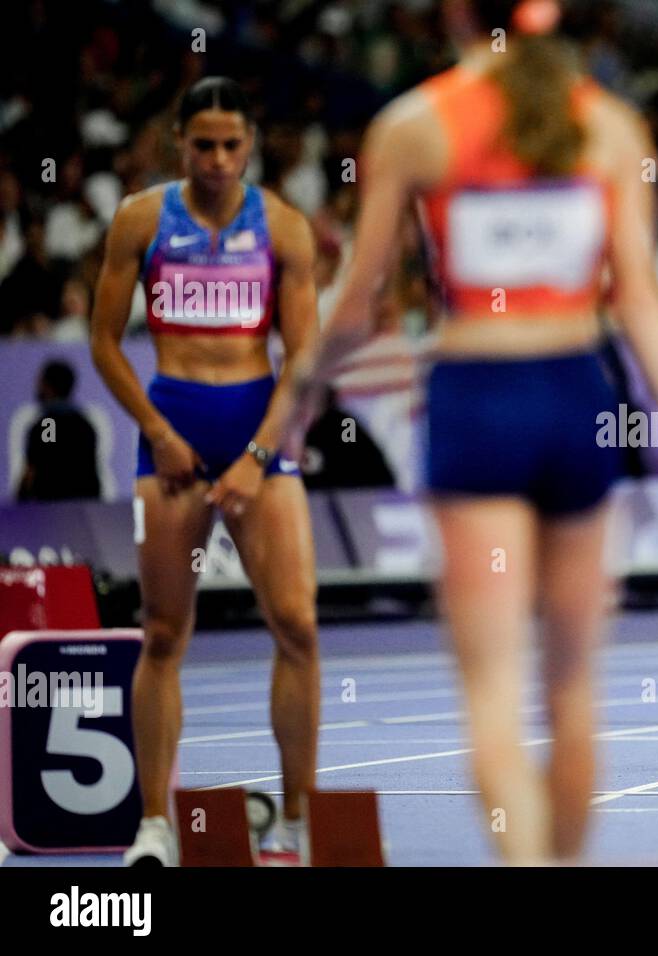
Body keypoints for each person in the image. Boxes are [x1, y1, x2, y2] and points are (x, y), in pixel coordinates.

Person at [282, 0, 658, 864]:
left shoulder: (413, 125)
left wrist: (301, 388)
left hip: (476, 401)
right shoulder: (608, 126)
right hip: (573, 396)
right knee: (573, 689)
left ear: (456, 12)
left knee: (493, 694)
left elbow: (361, 301)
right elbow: (639, 301)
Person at [90, 76, 321, 866]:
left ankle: (294, 821)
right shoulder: (141, 221)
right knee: (161, 633)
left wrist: (258, 458)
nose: (218, 160)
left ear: (249, 146)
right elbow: (104, 343)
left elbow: (305, 361)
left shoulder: (284, 228)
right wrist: (157, 431)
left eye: (232, 145)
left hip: (259, 429)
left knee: (296, 625)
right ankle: (155, 826)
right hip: (173, 433)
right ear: (177, 145)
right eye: (203, 145)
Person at [16, 359, 102, 501]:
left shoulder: (48, 424)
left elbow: (37, 464)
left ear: (48, 386)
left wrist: (19, 504)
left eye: (40, 382)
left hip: (52, 510)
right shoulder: (84, 424)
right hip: (82, 508)